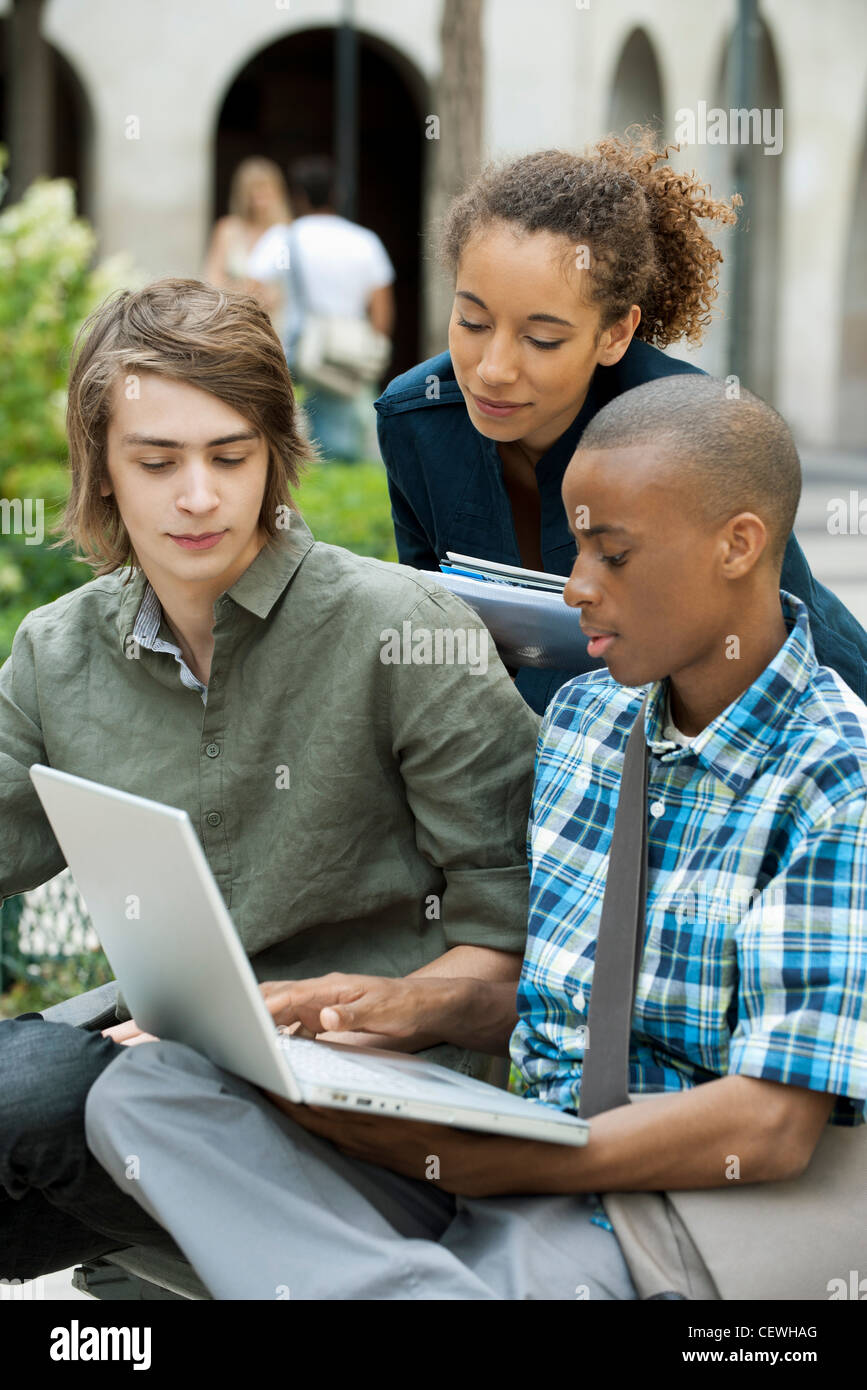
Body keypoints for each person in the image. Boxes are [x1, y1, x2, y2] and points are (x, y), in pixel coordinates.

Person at [75, 374, 866, 1301]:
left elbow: (769, 1128)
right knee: (153, 1091)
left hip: (672, 1212)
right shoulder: (587, 721)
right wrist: (406, 1010)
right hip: (513, 1170)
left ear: (738, 544)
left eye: (613, 555)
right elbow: (580, 1011)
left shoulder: (833, 780)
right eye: (578, 548)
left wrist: (496, 1164)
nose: (577, 588)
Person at [0, 278, 539, 1282]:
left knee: (27, 1094)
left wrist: (336, 1010)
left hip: (380, 1122)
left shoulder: (399, 633)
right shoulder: (57, 653)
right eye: (157, 461)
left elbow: (520, 964)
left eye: (230, 456)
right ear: (103, 469)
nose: (198, 495)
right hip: (158, 1084)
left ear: (275, 457)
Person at [374, 131, 867, 714]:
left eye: (542, 338)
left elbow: (769, 654)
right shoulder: (414, 420)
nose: (493, 369)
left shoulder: (693, 436)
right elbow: (437, 628)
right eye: (472, 321)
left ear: (616, 334)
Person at [248, 155, 396, 463]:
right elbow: (382, 314)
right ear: (336, 195)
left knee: (301, 443)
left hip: (300, 353)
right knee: (357, 445)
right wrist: (371, 350)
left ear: (298, 196)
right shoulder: (365, 241)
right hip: (352, 356)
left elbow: (251, 299)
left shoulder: (282, 239)